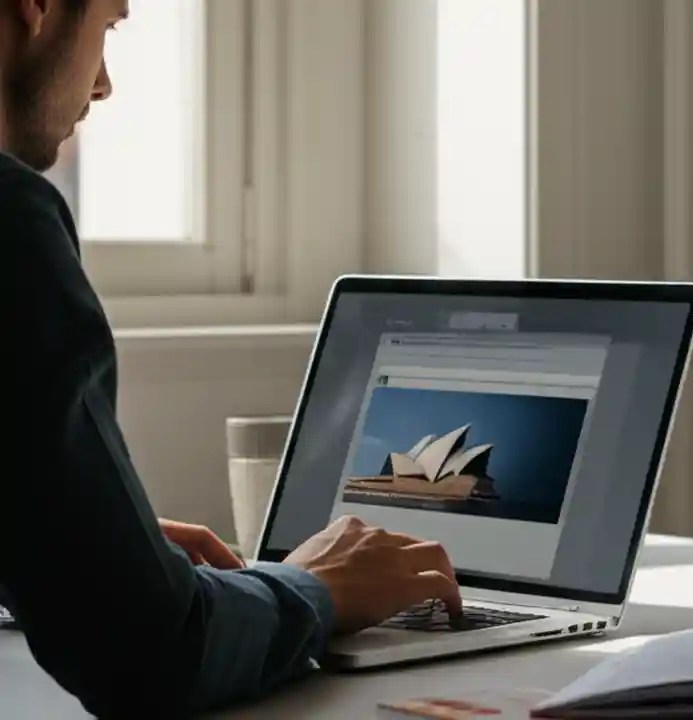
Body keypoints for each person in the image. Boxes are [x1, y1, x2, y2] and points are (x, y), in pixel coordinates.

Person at [0, 0, 462, 716]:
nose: (103, 83)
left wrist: (69, 545)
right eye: (108, 24)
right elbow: (151, 653)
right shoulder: (11, 228)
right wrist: (316, 587)